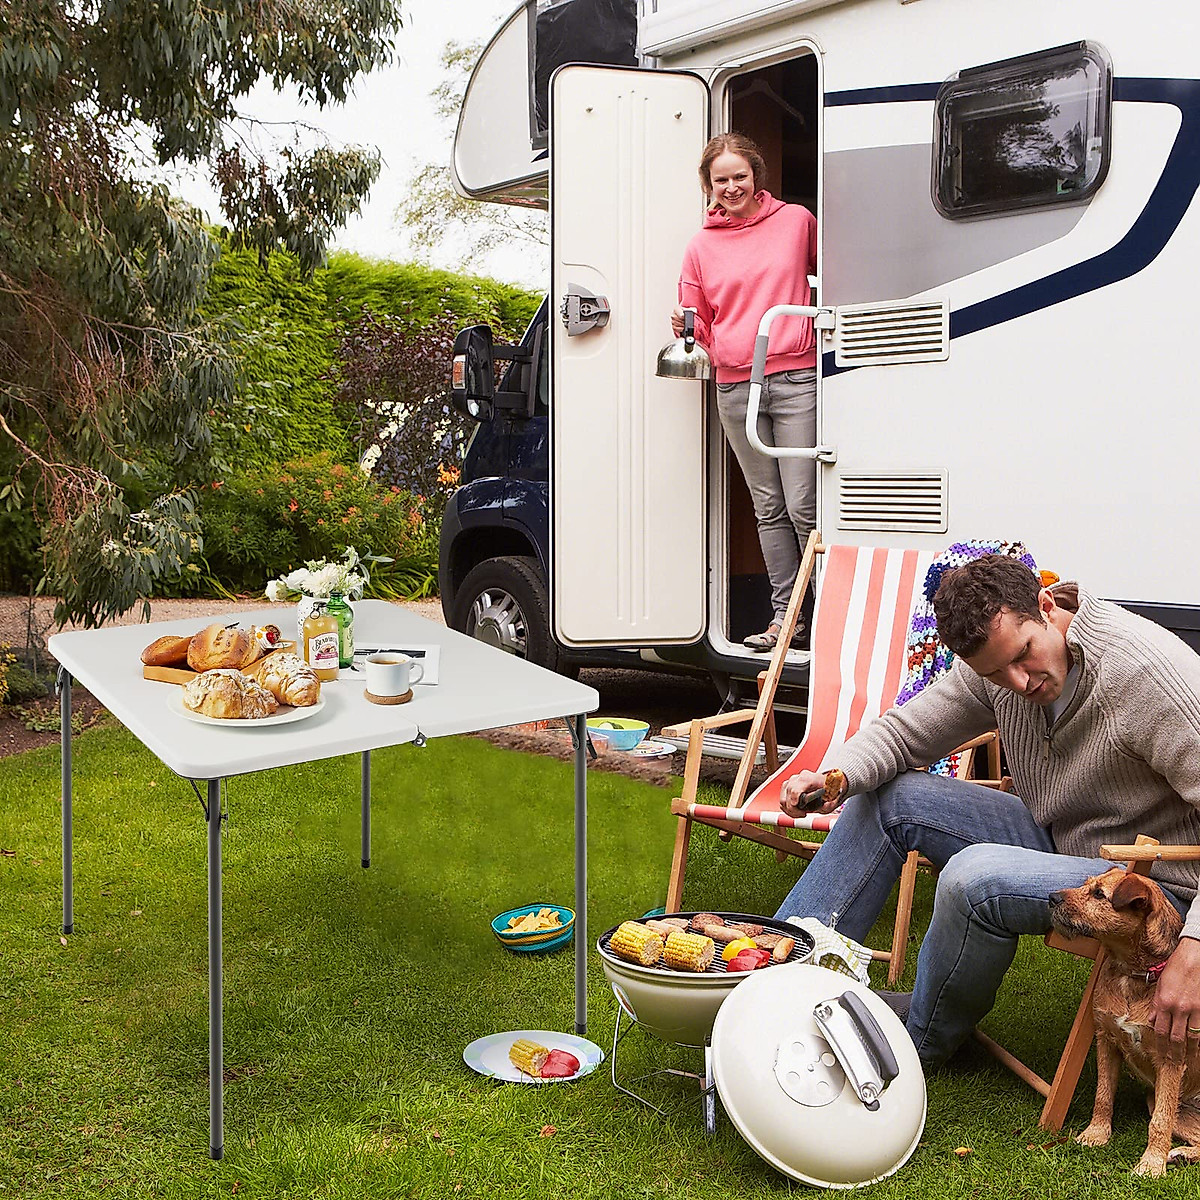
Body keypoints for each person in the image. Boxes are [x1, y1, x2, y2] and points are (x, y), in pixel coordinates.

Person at [773, 553, 1200, 1067]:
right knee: (890, 796)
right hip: (1064, 836)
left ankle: (915, 1044)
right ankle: (773, 983)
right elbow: (906, 734)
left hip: (1155, 880)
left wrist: (1195, 943)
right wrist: (836, 775)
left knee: (972, 876)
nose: (1020, 682)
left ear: (1045, 605)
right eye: (996, 673)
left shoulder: (1141, 673)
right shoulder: (995, 666)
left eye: (1024, 655)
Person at [672, 133, 818, 651]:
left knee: (805, 504)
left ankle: (823, 610)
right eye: (720, 180)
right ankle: (787, 619)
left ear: (757, 176)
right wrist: (687, 330)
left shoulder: (797, 222)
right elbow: (702, 327)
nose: (730, 187)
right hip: (735, 387)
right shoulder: (701, 246)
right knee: (768, 508)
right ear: (708, 186)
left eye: (739, 176)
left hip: (797, 377)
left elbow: (836, 283)